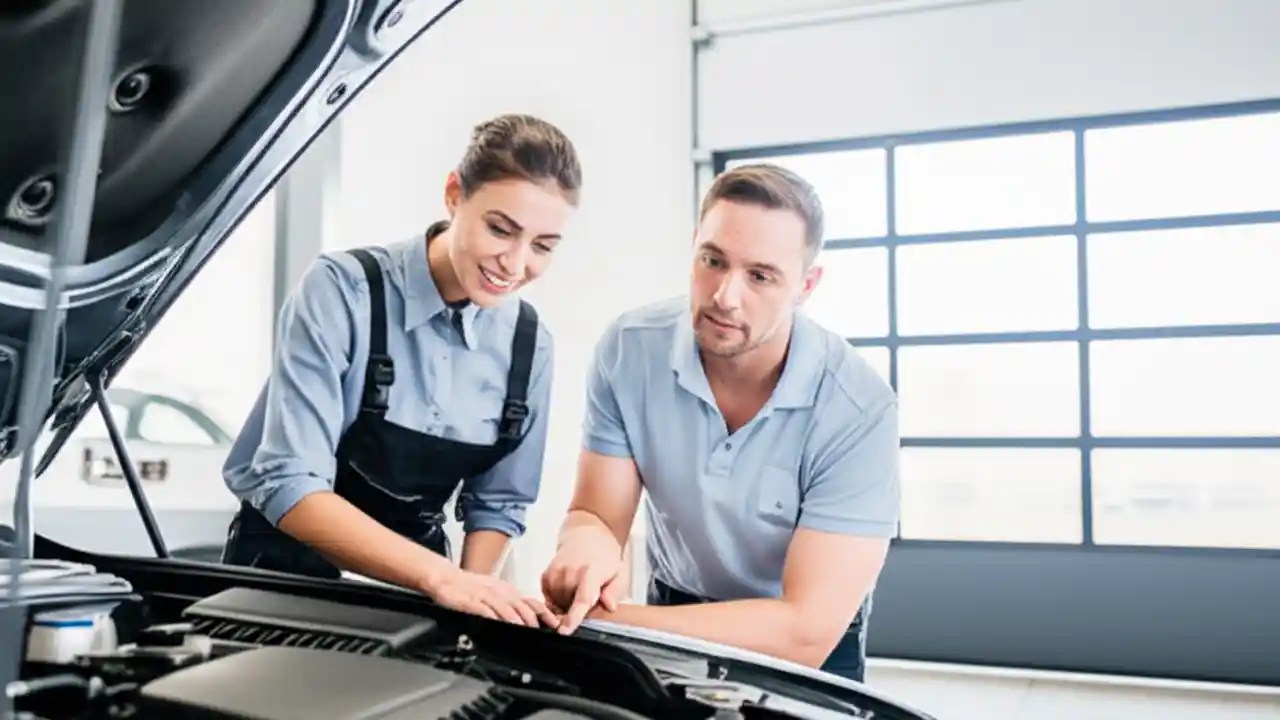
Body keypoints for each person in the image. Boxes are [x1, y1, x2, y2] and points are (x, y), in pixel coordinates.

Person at [540, 163, 900, 681]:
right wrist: (586, 550)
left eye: (760, 276)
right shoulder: (629, 349)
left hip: (801, 635)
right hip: (672, 601)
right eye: (713, 260)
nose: (725, 296)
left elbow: (805, 630)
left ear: (806, 284)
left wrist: (613, 625)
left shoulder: (859, 407)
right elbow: (597, 513)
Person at [220, 114, 581, 628]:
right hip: (282, 584)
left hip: (416, 606)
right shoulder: (342, 291)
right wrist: (444, 579)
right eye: (501, 229)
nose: (514, 263)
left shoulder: (531, 345)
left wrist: (475, 614)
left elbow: (498, 505)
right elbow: (288, 480)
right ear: (454, 195)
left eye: (543, 246)